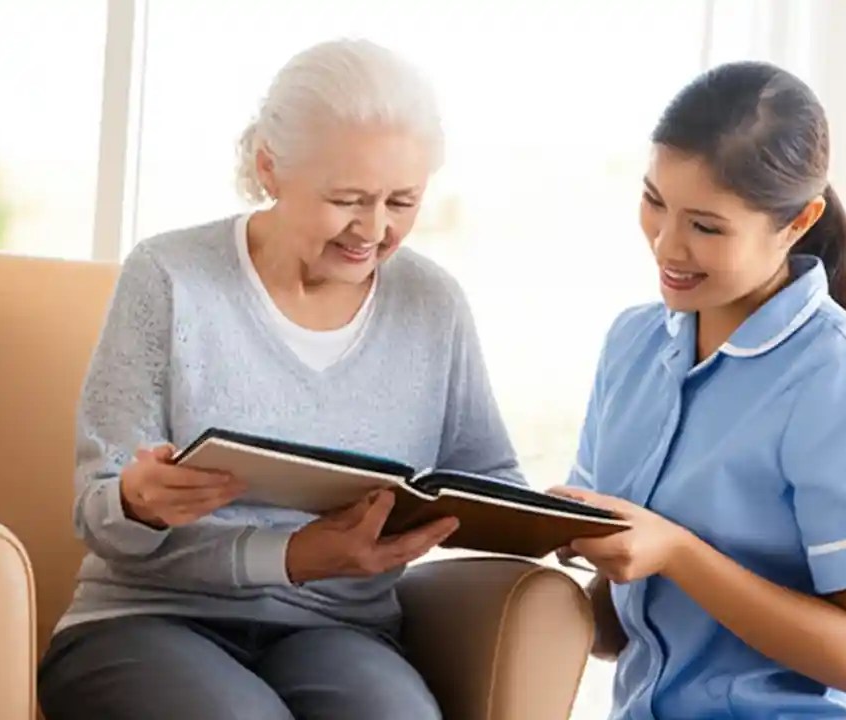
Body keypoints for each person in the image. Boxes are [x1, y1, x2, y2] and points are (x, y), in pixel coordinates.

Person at [38, 38, 521, 720]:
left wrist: (546, 520)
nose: (374, 230)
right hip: (147, 620)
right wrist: (142, 503)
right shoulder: (170, 275)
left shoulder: (432, 304)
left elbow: (488, 478)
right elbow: (100, 512)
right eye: (348, 199)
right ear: (270, 167)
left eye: (401, 202)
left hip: (340, 630)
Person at [551, 61, 846, 719]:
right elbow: (619, 627)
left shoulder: (842, 382)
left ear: (797, 221)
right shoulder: (633, 346)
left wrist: (676, 553)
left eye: (706, 226)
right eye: (654, 201)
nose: (667, 244)